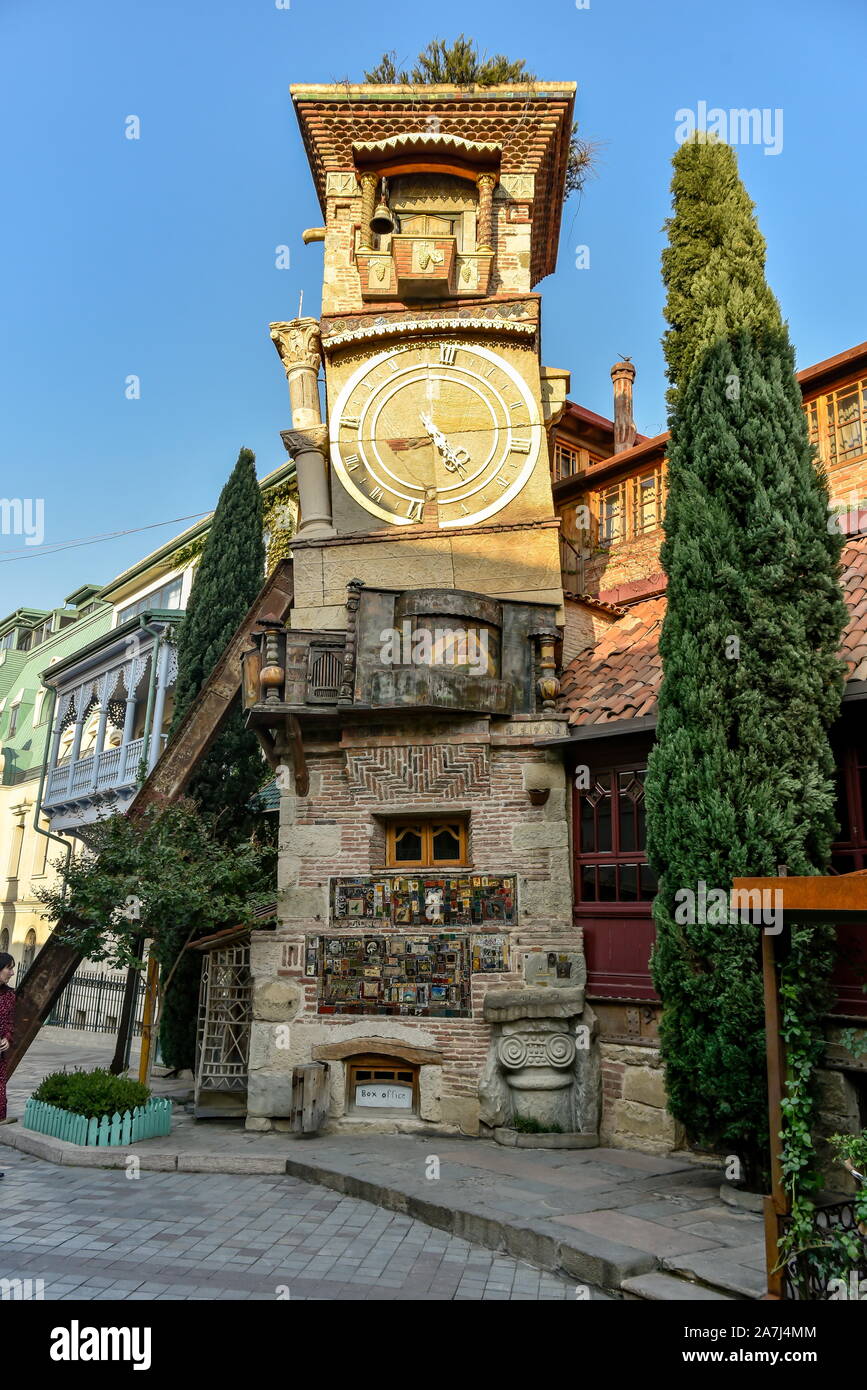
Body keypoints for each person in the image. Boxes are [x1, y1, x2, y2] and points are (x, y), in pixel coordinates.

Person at [0, 952, 15, 1177]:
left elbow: (11, 1022)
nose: (12, 972)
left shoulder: (10, 995)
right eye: (9, 968)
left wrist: (7, 1038)